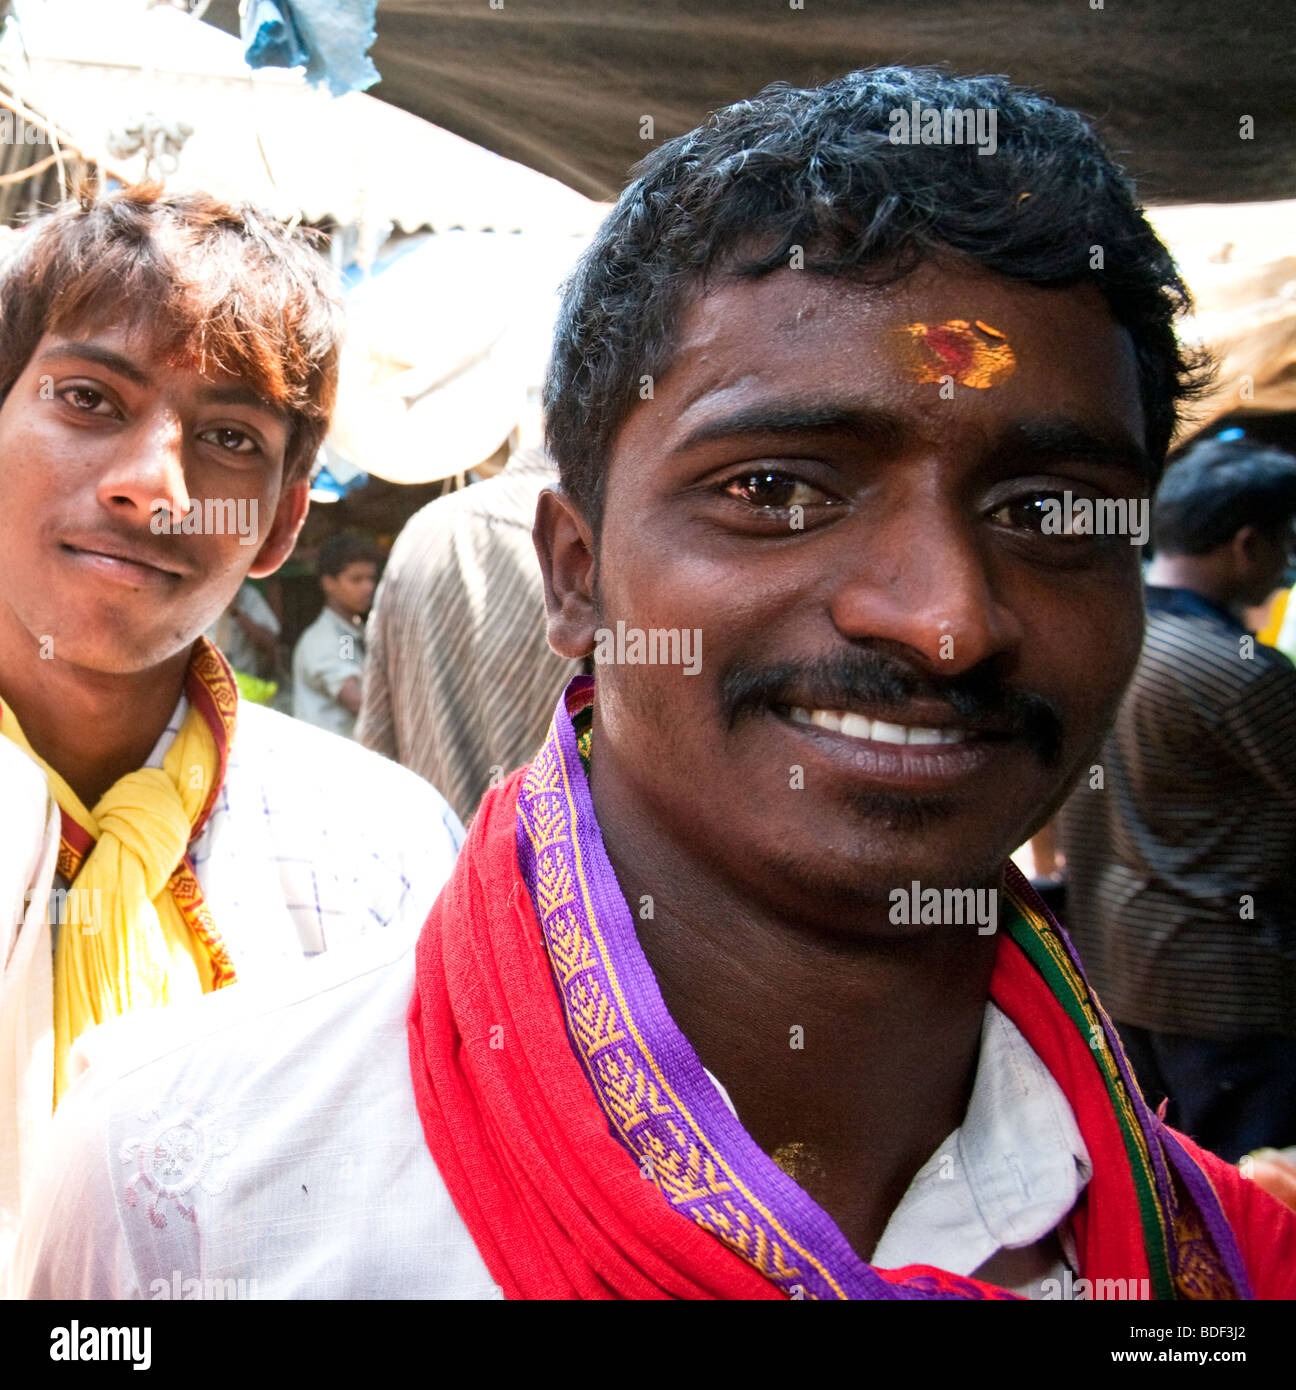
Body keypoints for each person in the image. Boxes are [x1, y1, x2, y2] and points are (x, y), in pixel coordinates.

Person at [14, 70, 1296, 1301]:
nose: (945, 619)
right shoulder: (188, 1177)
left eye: (1045, 511)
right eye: (777, 490)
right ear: (578, 574)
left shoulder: (1215, 1251)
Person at [0, 187, 464, 1247]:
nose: (153, 488)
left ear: (280, 525)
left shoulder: (383, 863)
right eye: (87, 398)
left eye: (228, 439)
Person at [1060, 434, 1296, 1163]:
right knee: (1258, 1205)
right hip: (1232, 997)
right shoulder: (1241, 674)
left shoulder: (1098, 638)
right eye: (1288, 544)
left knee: (1181, 1187)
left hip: (1123, 977)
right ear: (1248, 544)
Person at [358, 445, 582, 824]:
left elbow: (376, 742)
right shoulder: (597, 540)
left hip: (430, 864)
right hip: (551, 875)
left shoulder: (422, 532)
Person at [291, 531, 377, 739]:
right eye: (356, 579)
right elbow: (356, 701)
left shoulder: (346, 634)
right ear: (329, 583)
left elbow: (349, 665)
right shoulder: (321, 640)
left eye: (371, 578)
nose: (368, 587)